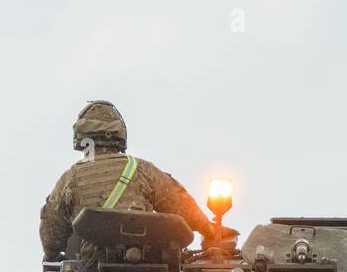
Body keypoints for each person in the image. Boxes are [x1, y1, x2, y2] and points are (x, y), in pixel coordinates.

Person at [39, 101, 229, 262]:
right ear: (119, 134)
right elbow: (179, 203)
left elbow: (52, 231)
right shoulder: (141, 170)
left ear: (81, 137)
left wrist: (51, 256)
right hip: (150, 269)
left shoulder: (71, 178)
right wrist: (209, 230)